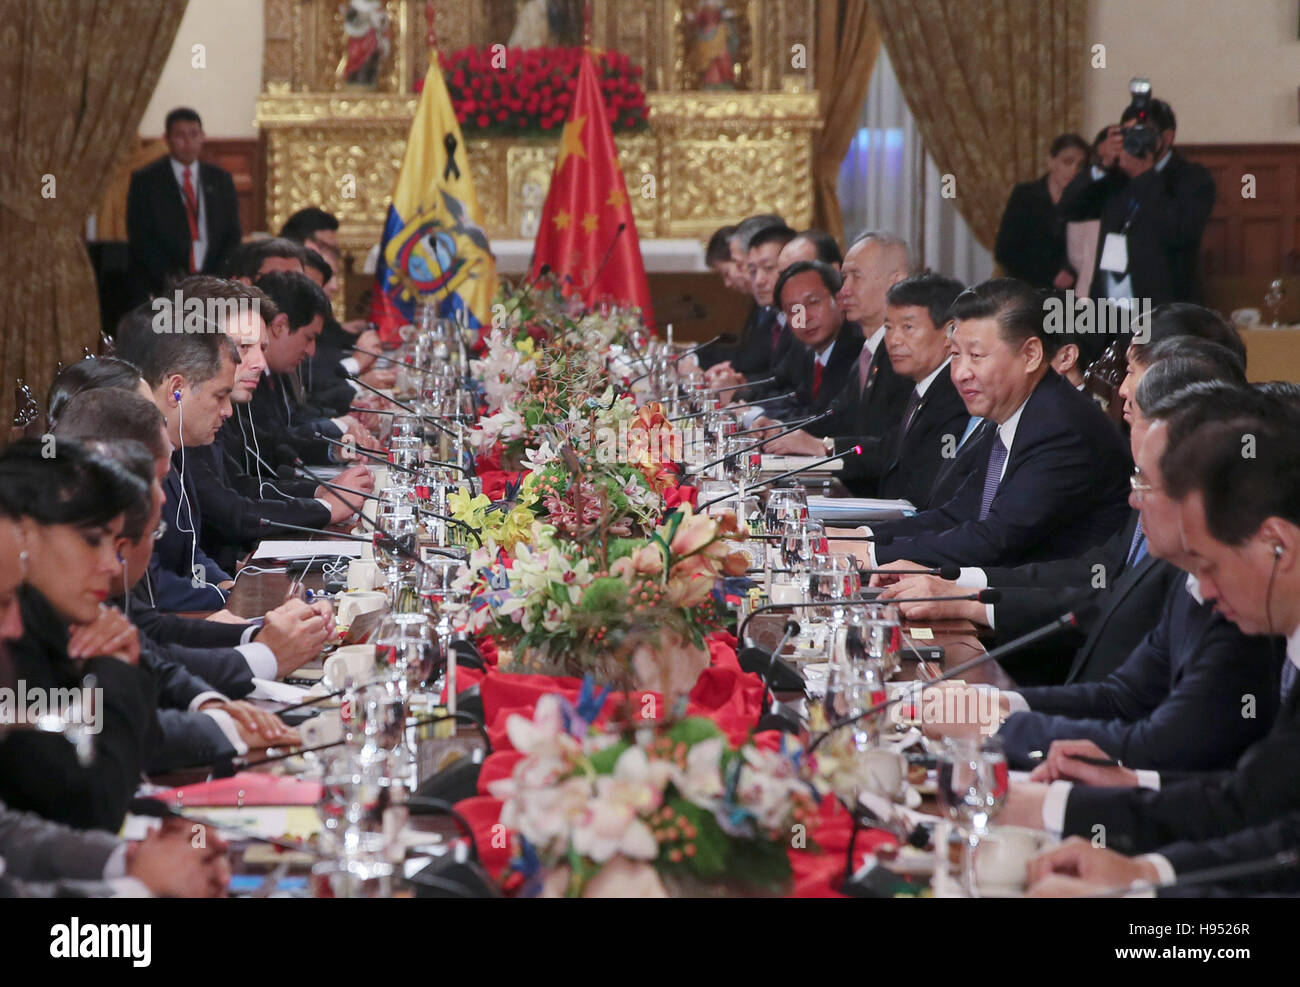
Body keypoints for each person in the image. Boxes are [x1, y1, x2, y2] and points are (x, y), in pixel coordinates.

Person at [921, 366, 1280, 773]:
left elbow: (1169, 748)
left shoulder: (1239, 601)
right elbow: (1123, 696)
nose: (1132, 499)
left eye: (1144, 482)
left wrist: (995, 726)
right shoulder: (1191, 577)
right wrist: (997, 703)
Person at [999, 385, 1300, 856]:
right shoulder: (1238, 595)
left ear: (1276, 544)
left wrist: (1145, 880)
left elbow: (1249, 814)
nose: (1204, 588)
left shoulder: (1252, 622)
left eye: (1210, 566)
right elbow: (1260, 807)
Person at [857, 278, 1132, 568]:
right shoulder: (1010, 412)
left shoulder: (1063, 426)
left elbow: (994, 540)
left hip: (1053, 604)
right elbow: (958, 515)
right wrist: (860, 539)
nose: (960, 373)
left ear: (1030, 355)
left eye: (976, 356)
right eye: (954, 355)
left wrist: (871, 557)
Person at [0, 440, 157, 831]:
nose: (111, 564)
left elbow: (143, 751)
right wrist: (114, 665)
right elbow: (92, 807)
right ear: (21, 533)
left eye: (116, 542)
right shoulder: (12, 643)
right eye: (92, 539)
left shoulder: (56, 623)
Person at [115, 298, 241, 611]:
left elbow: (191, 549)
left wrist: (225, 583)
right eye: (220, 396)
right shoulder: (128, 456)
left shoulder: (179, 442)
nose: (228, 411)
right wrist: (233, 598)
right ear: (176, 390)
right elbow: (149, 582)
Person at [1058, 97, 1215, 308]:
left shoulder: (1193, 178)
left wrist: (1144, 175)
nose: (1134, 142)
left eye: (1143, 134)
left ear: (1167, 138)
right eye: (1127, 134)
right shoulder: (1114, 175)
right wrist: (1101, 165)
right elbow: (1069, 209)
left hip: (1163, 308)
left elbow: (1180, 231)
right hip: (1107, 308)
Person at [126, 107, 241, 302]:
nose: (188, 142)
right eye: (180, 135)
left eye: (194, 134)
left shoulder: (221, 180)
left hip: (213, 285)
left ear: (203, 137)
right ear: (166, 138)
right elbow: (141, 237)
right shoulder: (146, 181)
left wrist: (216, 279)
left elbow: (232, 234)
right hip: (162, 286)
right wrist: (173, 279)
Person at [995, 133, 1089, 289]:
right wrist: (1051, 274)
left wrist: (1070, 272)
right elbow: (1004, 251)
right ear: (1051, 161)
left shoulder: (1085, 202)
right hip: (1026, 290)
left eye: (1080, 165)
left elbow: (1087, 251)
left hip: (1067, 295)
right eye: (1067, 162)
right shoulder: (1025, 195)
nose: (1074, 170)